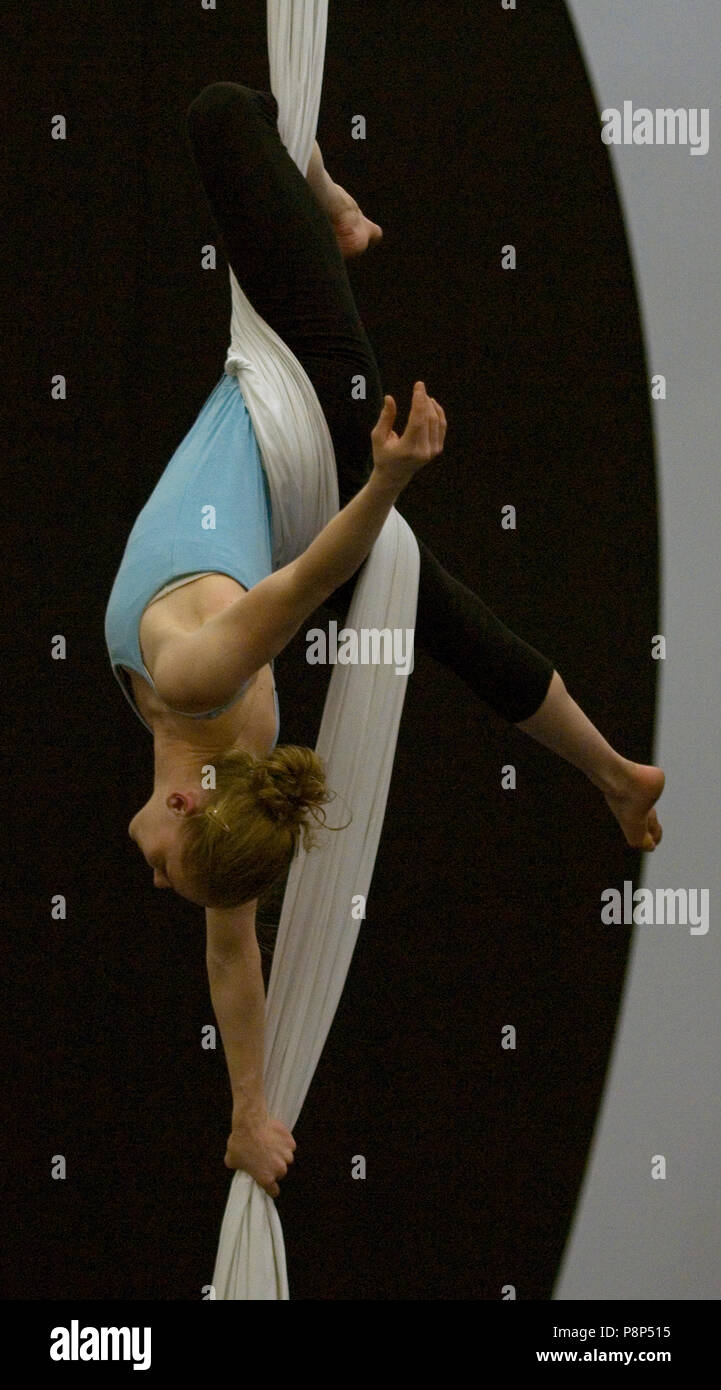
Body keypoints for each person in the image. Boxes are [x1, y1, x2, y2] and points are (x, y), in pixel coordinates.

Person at [105, 84, 665, 1197]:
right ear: (182, 805)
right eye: (172, 868)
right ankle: (329, 196)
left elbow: (233, 956)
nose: (159, 881)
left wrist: (249, 1116)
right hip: (309, 412)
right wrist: (389, 478)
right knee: (219, 115)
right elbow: (309, 579)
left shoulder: (234, 774)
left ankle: (615, 771)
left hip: (298, 488)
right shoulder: (195, 677)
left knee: (439, 614)